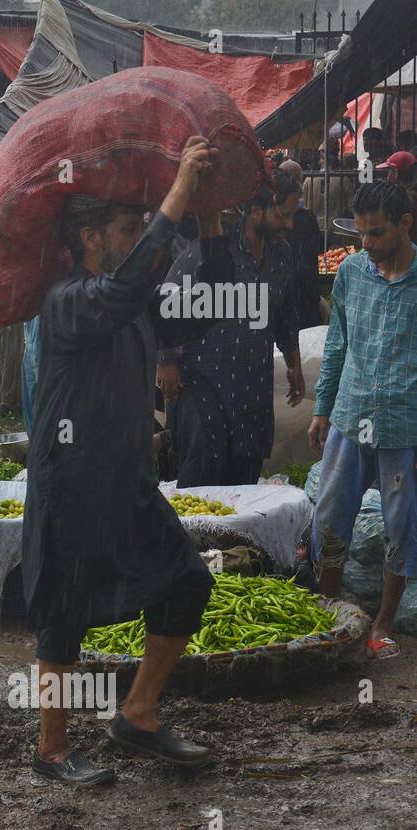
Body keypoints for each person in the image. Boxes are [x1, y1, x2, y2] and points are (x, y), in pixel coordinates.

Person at [24, 137, 233, 785]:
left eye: (140, 223)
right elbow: (124, 289)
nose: (139, 233)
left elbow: (210, 302)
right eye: (127, 226)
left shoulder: (135, 302)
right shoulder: (67, 303)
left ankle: (138, 712)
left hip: (129, 486)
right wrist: (175, 193)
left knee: (188, 582)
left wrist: (210, 216)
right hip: (71, 487)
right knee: (62, 618)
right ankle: (52, 749)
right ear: (90, 238)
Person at [310, 181, 417, 661]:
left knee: (403, 527)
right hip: (351, 417)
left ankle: (383, 621)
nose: (367, 245)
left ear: (405, 224)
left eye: (376, 234)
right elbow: (336, 345)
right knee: (330, 521)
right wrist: (321, 408)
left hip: (406, 425)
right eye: (362, 235)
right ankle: (325, 609)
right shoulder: (351, 272)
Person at [159, 183, 304, 487]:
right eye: (283, 215)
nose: (289, 224)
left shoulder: (282, 255)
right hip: (203, 379)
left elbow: (285, 313)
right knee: (203, 468)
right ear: (255, 212)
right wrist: (166, 360)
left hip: (253, 384)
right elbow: (168, 298)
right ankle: (193, 534)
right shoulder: (211, 250)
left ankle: (235, 535)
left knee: (244, 475)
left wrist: (294, 364)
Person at [276, 163, 327, 331]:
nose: (290, 224)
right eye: (285, 215)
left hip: (307, 307)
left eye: (293, 212)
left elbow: (314, 257)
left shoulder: (307, 220)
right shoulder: (266, 236)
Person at [377, 151, 417, 242]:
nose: (387, 176)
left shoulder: (404, 199)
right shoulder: (411, 194)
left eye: (389, 171)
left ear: (396, 173)